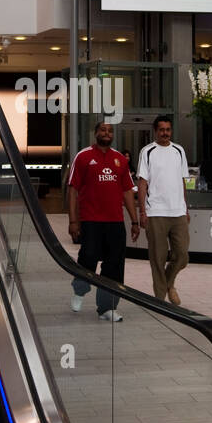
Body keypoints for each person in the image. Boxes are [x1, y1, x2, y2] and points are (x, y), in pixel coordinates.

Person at [68, 120, 139, 321]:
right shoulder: (83, 157)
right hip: (90, 220)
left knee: (114, 265)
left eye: (110, 131)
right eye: (103, 130)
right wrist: (73, 221)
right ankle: (80, 290)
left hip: (115, 222)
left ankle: (107, 308)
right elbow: (72, 190)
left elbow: (127, 192)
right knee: (88, 257)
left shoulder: (120, 160)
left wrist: (134, 221)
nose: (107, 133)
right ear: (96, 133)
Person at [136, 115, 190, 306]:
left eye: (168, 129)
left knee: (182, 255)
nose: (165, 133)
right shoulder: (148, 152)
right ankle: (160, 301)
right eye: (162, 130)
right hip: (156, 213)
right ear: (155, 131)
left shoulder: (179, 151)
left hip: (178, 212)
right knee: (157, 259)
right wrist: (142, 212)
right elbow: (142, 183)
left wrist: (185, 207)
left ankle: (169, 283)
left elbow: (182, 180)